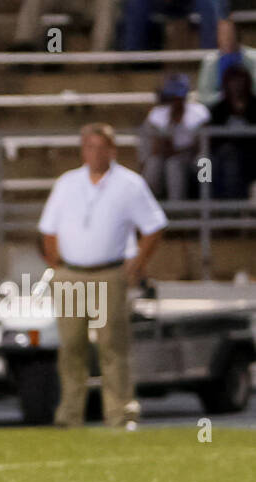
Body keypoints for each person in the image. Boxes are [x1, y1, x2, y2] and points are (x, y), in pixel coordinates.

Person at [39, 122, 167, 430]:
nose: (95, 153)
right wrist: (56, 264)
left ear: (112, 150)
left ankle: (120, 414)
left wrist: (136, 265)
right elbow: (48, 228)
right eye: (90, 146)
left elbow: (154, 226)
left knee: (112, 347)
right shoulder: (68, 182)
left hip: (109, 272)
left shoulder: (129, 184)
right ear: (83, 150)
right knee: (71, 347)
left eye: (101, 147)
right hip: (71, 272)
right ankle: (70, 414)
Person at [138, 74, 211, 200]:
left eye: (179, 96)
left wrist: (179, 151)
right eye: (172, 96)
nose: (176, 100)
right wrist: (170, 123)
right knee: (156, 164)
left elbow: (201, 146)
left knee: (203, 162)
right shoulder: (158, 114)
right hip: (167, 156)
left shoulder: (199, 112)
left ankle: (183, 208)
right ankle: (148, 203)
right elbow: (156, 148)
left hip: (192, 157)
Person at [209, 66, 256, 199]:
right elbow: (211, 140)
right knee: (203, 163)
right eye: (233, 81)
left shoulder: (255, 105)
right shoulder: (218, 109)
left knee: (232, 161)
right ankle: (207, 204)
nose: (237, 85)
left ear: (247, 82)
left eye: (240, 80)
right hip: (219, 155)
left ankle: (232, 206)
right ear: (226, 83)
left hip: (251, 155)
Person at [198, 19, 256, 105]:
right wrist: (225, 97)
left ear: (238, 34)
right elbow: (204, 96)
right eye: (223, 33)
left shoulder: (253, 58)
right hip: (219, 109)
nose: (227, 37)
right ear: (217, 36)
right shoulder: (209, 61)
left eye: (230, 33)